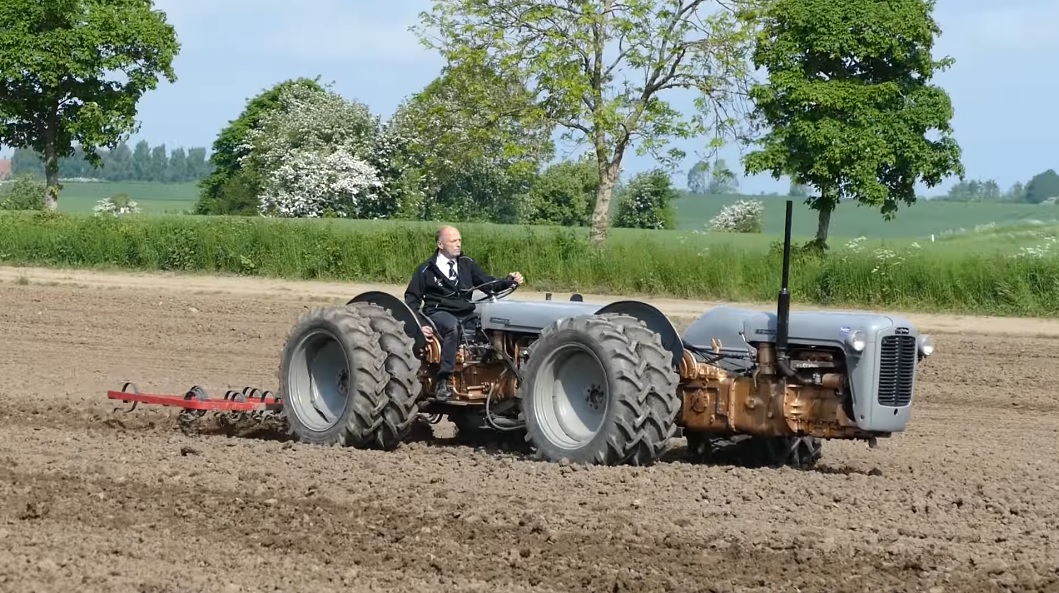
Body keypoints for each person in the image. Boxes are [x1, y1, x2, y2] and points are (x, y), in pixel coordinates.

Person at [403, 225, 524, 400]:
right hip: (439, 313)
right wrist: (420, 325)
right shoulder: (426, 270)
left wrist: (508, 281)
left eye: (459, 240)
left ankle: (492, 376)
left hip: (466, 313)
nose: (458, 244)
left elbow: (487, 283)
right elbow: (412, 300)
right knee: (452, 327)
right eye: (453, 241)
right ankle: (443, 380)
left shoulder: (467, 263)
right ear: (440, 245)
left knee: (489, 328)